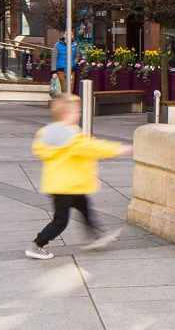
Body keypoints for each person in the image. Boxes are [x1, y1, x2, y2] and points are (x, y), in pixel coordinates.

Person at [25, 92, 130, 260]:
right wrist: (121, 149)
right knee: (60, 221)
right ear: (67, 114)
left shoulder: (48, 133)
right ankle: (36, 245)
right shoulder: (72, 138)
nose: (79, 114)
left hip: (62, 185)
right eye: (77, 111)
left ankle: (96, 237)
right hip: (68, 187)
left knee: (84, 207)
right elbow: (94, 147)